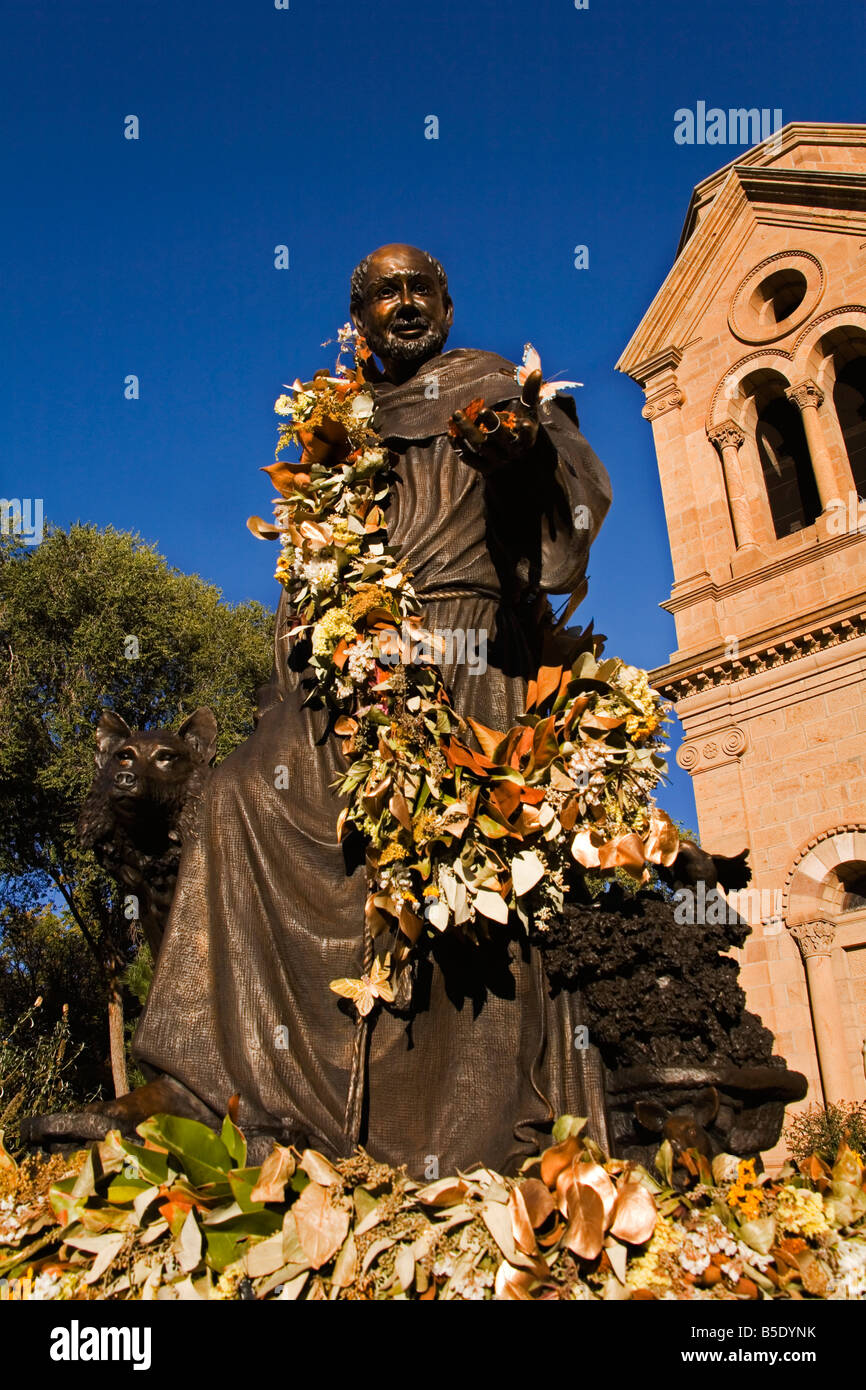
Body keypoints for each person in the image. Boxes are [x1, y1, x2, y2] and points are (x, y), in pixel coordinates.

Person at [30, 244, 614, 1175]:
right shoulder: (340, 424)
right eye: (386, 293)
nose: (407, 303)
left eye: (423, 287)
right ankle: (205, 1085)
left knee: (452, 839)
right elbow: (308, 583)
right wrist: (287, 691)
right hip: (350, 673)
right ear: (361, 318)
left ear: (450, 303)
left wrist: (520, 457)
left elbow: (567, 528)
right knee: (232, 797)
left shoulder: (501, 387)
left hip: (468, 655)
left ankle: (463, 1138)